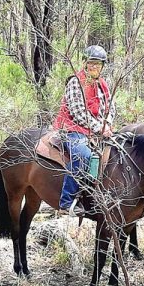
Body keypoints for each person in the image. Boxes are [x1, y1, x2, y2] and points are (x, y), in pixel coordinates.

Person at [52, 45, 116, 216]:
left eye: (97, 64)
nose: (94, 67)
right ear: (85, 63)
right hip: (72, 128)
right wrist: (100, 129)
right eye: (91, 63)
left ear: (103, 66)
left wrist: (107, 124)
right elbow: (78, 112)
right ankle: (66, 201)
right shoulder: (75, 82)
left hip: (98, 130)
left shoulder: (103, 84)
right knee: (83, 155)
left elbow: (110, 107)